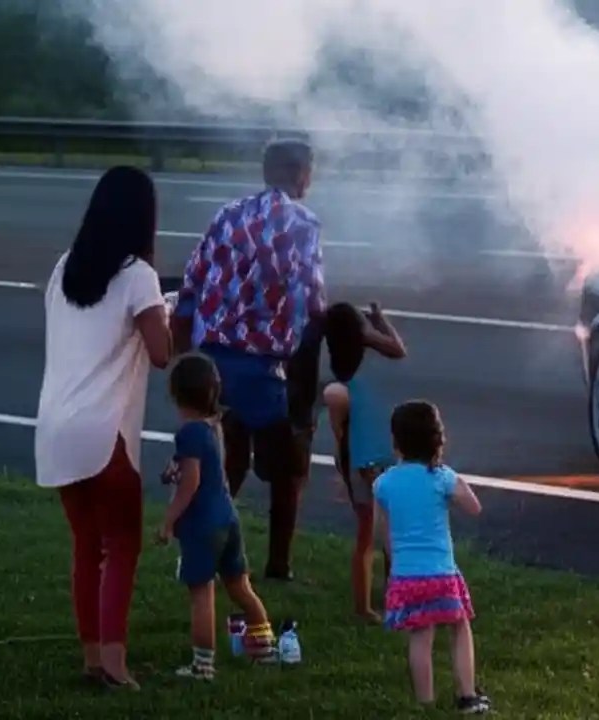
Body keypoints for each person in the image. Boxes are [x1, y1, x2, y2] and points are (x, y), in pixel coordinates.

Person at [33, 165, 172, 690]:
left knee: (86, 547)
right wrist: (167, 315)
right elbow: (161, 355)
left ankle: (93, 658)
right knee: (123, 545)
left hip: (54, 427)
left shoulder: (64, 267)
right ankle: (115, 666)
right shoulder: (139, 274)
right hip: (103, 431)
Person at [170, 139, 326, 581]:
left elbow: (194, 278)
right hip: (262, 367)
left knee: (229, 460)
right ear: (301, 175)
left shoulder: (227, 215)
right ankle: (278, 565)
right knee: (287, 470)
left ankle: (209, 546)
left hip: (216, 359)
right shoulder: (303, 224)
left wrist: (186, 338)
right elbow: (312, 299)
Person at [157, 353, 278, 679]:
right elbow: (199, 467)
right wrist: (176, 468)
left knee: (201, 593)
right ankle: (264, 646)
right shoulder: (213, 427)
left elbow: (192, 481)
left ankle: (203, 665)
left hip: (202, 525)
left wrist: (169, 520)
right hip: (228, 518)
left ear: (175, 393)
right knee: (240, 587)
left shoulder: (188, 433)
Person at [373, 401, 492, 715]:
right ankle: (467, 695)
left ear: (396, 441)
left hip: (406, 574)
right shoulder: (441, 477)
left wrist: (394, 559)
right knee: (459, 625)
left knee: (420, 636)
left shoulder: (384, 482)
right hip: (441, 572)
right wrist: (451, 478)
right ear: (437, 440)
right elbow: (474, 506)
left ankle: (425, 703)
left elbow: (381, 530)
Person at [322, 301, 407, 622]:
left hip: (356, 458)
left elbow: (341, 434)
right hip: (377, 457)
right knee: (387, 533)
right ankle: (386, 599)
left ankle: (367, 605)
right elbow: (398, 349)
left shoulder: (340, 375)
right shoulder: (365, 353)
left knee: (367, 534)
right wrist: (380, 321)